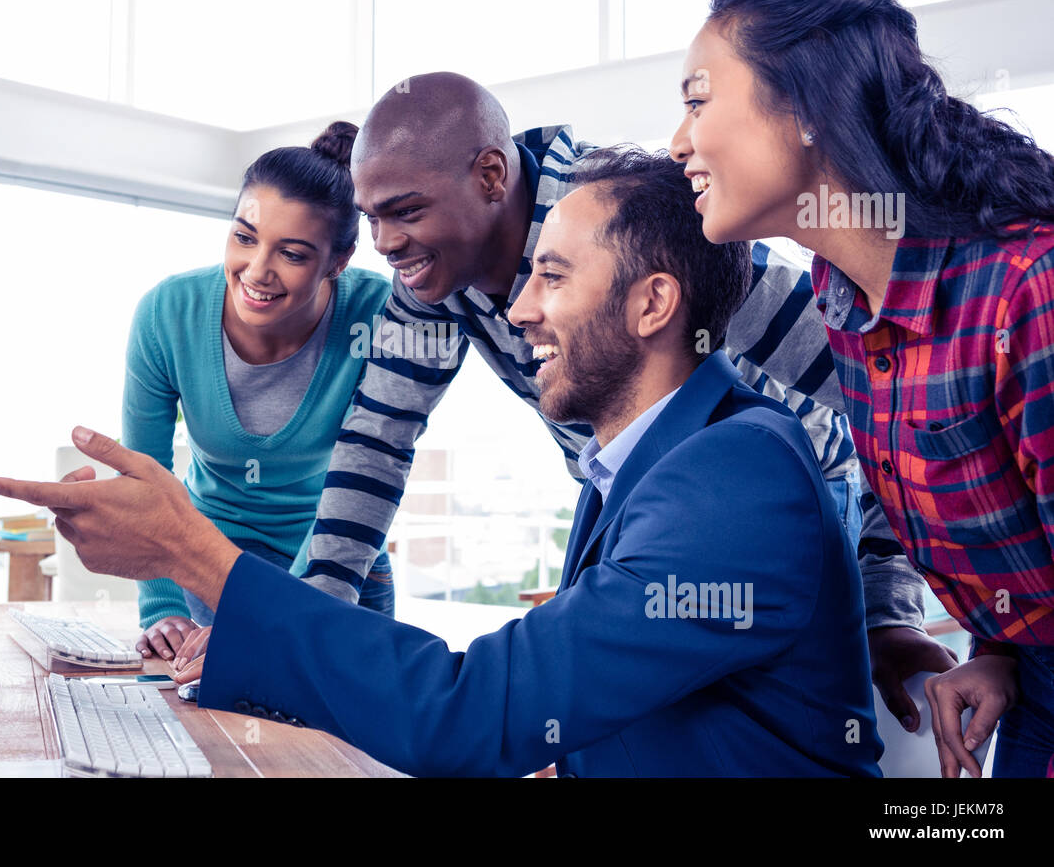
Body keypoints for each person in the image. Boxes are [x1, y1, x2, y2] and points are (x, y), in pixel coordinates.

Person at [0, 148, 883, 777]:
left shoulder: (733, 483)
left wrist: (194, 554)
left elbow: (471, 712)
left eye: (555, 278)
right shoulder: (649, 464)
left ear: (654, 305)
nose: (518, 311)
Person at [292, 71, 936, 727]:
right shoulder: (435, 274)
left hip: (776, 510)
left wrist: (887, 597)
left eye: (405, 211)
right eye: (371, 218)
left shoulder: (625, 217)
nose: (384, 243)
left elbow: (894, 393)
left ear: (490, 176)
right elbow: (376, 442)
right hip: (631, 508)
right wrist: (305, 626)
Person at [668, 0, 1054, 778]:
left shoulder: (1028, 293)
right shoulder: (842, 301)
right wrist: (1007, 653)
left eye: (698, 102)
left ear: (805, 104)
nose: (678, 143)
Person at [123, 122, 395, 661]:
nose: (257, 271)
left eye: (292, 254)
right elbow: (144, 471)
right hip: (216, 562)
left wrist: (282, 612)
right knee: (230, 730)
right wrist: (162, 608)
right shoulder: (168, 314)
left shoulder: (375, 315)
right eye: (244, 237)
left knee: (351, 736)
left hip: (341, 557)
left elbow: (372, 472)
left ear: (337, 263)